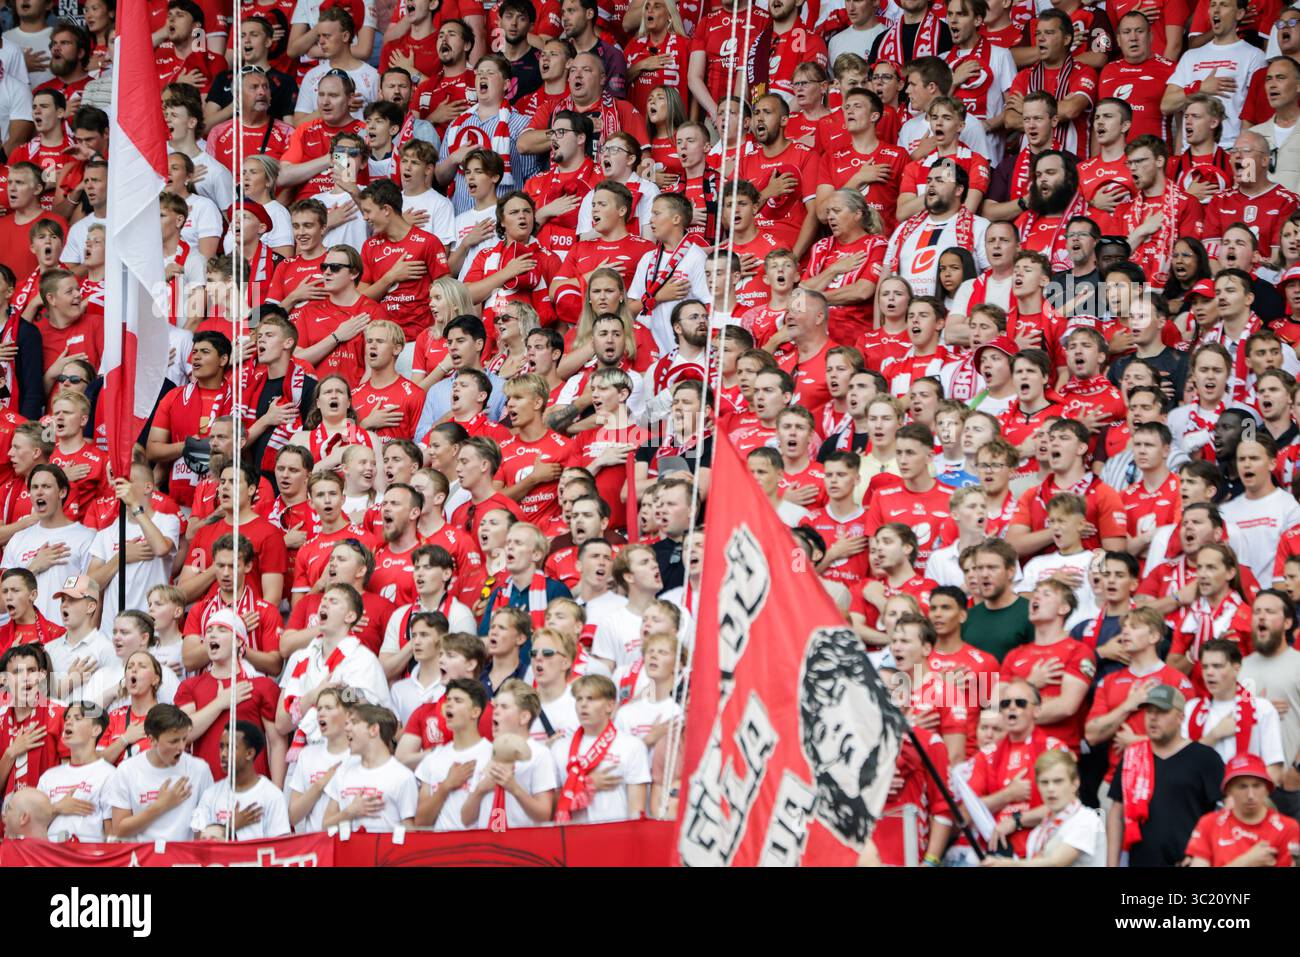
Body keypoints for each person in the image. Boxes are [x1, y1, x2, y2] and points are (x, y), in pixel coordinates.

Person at [969, 677, 1070, 858]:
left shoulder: (1053, 749)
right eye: (1006, 703)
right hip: (998, 852)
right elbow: (971, 810)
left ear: (1037, 711)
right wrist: (1009, 794)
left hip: (1045, 850)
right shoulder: (986, 755)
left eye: (1020, 703)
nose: (1012, 708)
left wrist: (1016, 821)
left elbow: (1067, 806)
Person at [105, 704, 214, 841]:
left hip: (184, 860)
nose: (181, 747)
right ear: (152, 740)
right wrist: (160, 806)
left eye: (184, 739)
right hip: (143, 859)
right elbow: (120, 831)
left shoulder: (199, 769)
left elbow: (210, 823)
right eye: (173, 741)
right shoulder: (127, 770)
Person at [1182, 638, 1286, 779]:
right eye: (1205, 666)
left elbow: (1274, 767)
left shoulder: (1262, 708)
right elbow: (1181, 764)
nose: (1209, 672)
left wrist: (1250, 798)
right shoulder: (1190, 709)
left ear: (1236, 668)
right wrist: (1213, 736)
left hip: (1246, 797)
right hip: (1200, 798)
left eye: (1217, 666)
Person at [983, 751, 1106, 867]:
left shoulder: (1086, 819)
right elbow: (1038, 861)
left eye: (1058, 781)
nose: (1050, 789)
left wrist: (1007, 864)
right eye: (1044, 782)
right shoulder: (1045, 825)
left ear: (1075, 783)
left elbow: (1056, 863)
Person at [1185, 752, 1300, 866]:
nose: (1250, 795)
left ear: (1267, 788)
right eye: (1242, 786)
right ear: (1228, 790)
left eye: (1256, 786)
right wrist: (1245, 862)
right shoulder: (1209, 823)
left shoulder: (1287, 827)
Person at [322, 702, 418, 833]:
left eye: (353, 722)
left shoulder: (403, 776)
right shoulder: (343, 772)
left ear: (373, 729)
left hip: (387, 852)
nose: (346, 728)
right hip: (347, 852)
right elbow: (324, 826)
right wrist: (350, 812)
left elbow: (411, 832)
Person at [413, 678, 493, 830]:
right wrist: (446, 786)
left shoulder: (492, 756)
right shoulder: (432, 759)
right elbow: (421, 822)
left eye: (458, 700)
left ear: (475, 712)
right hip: (441, 850)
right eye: (448, 699)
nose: (449, 704)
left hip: (481, 850)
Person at [191, 722, 292, 840]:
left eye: (231, 747)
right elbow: (198, 842)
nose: (223, 754)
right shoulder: (210, 794)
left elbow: (280, 848)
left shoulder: (272, 796)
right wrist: (230, 827)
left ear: (249, 753)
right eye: (221, 747)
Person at [36, 700, 113, 843]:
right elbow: (31, 826)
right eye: (67, 719)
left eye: (78, 718)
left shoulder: (109, 775)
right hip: (49, 860)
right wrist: (57, 808)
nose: (68, 722)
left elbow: (112, 835)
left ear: (96, 730)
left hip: (89, 860)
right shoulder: (48, 777)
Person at [964, 538, 1033, 661]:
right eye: (979, 568)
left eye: (992, 568)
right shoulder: (968, 617)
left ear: (1011, 571)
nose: (984, 574)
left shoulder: (1031, 614)